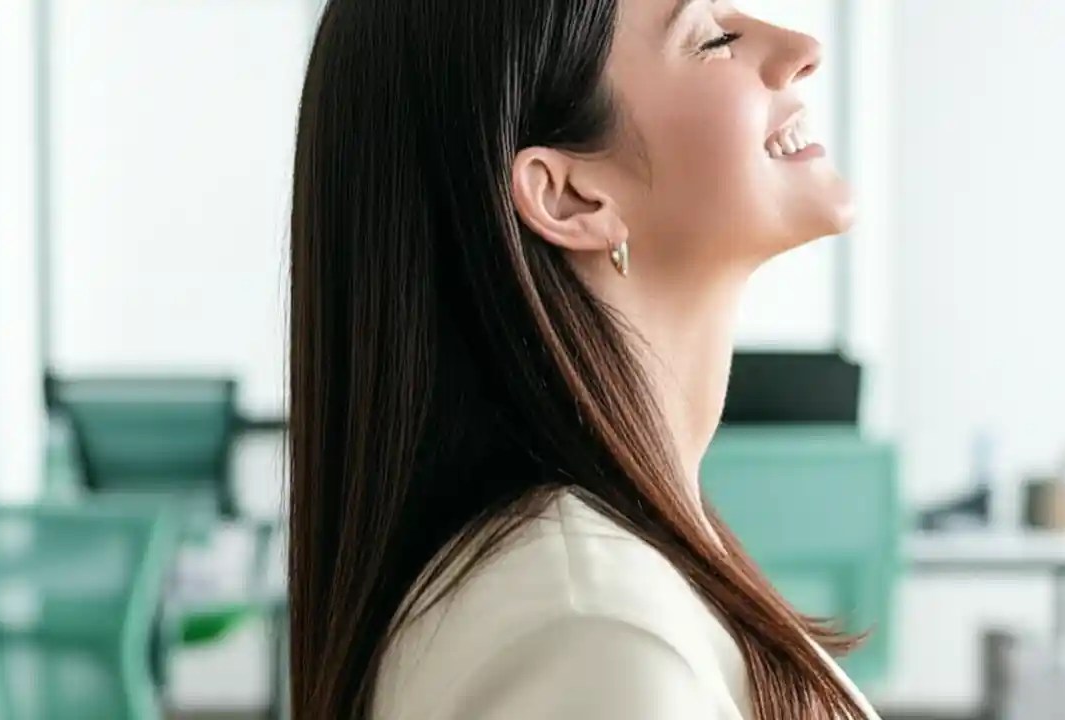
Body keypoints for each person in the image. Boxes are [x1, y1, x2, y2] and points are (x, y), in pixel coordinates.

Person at [287, 0, 873, 718]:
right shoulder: (595, 636)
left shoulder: (597, 594)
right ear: (569, 198)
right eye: (713, 39)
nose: (802, 47)